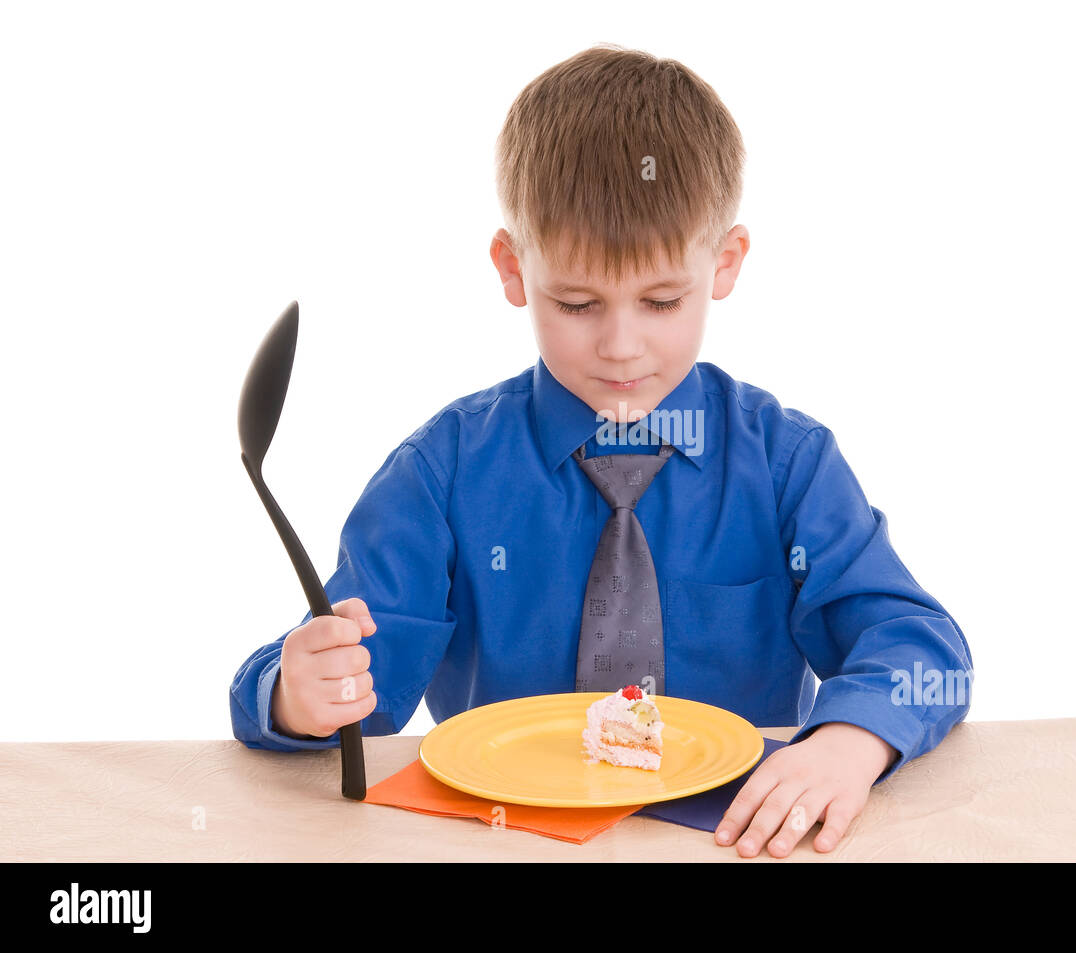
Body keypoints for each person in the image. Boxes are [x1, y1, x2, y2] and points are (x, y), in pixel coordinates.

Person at [230, 43, 973, 859]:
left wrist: (849, 741)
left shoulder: (785, 462)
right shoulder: (440, 474)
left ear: (723, 265)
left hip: (735, 841)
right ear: (514, 270)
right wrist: (297, 696)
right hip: (504, 842)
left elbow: (917, 643)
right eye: (578, 302)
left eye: (661, 300)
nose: (622, 346)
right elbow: (351, 678)